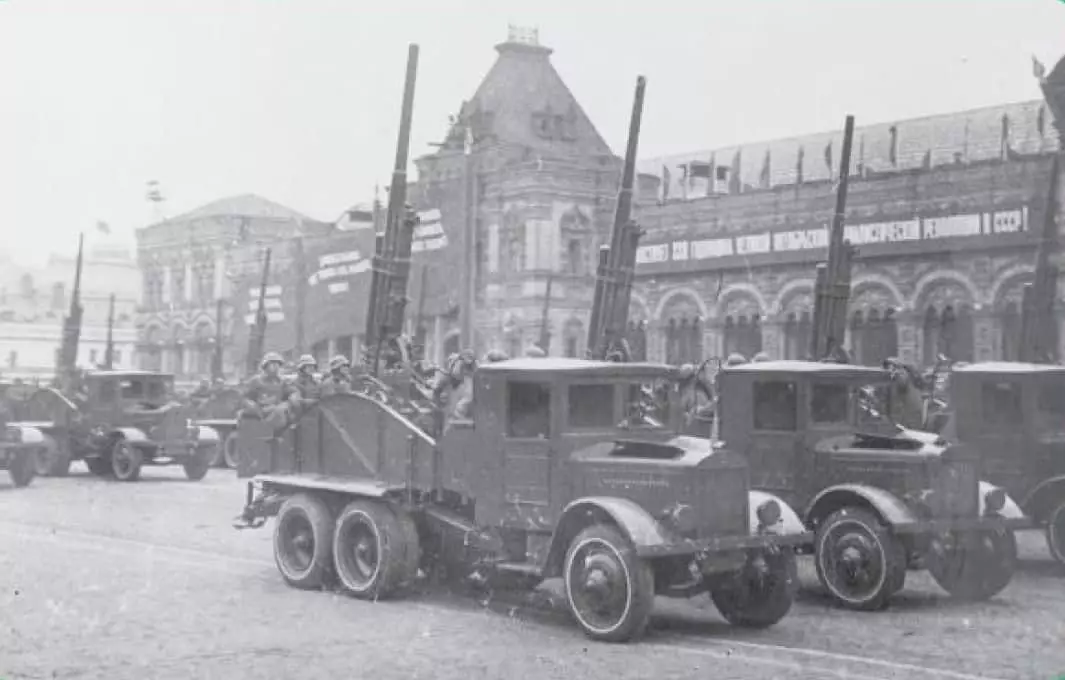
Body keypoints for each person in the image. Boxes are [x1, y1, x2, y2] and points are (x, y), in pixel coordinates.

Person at [241, 352, 292, 433]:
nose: (275, 367)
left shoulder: (282, 382)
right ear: (265, 366)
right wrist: (255, 407)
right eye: (272, 364)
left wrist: (282, 406)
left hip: (277, 415)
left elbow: (289, 398)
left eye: (277, 364)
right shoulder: (256, 381)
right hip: (258, 414)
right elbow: (246, 398)